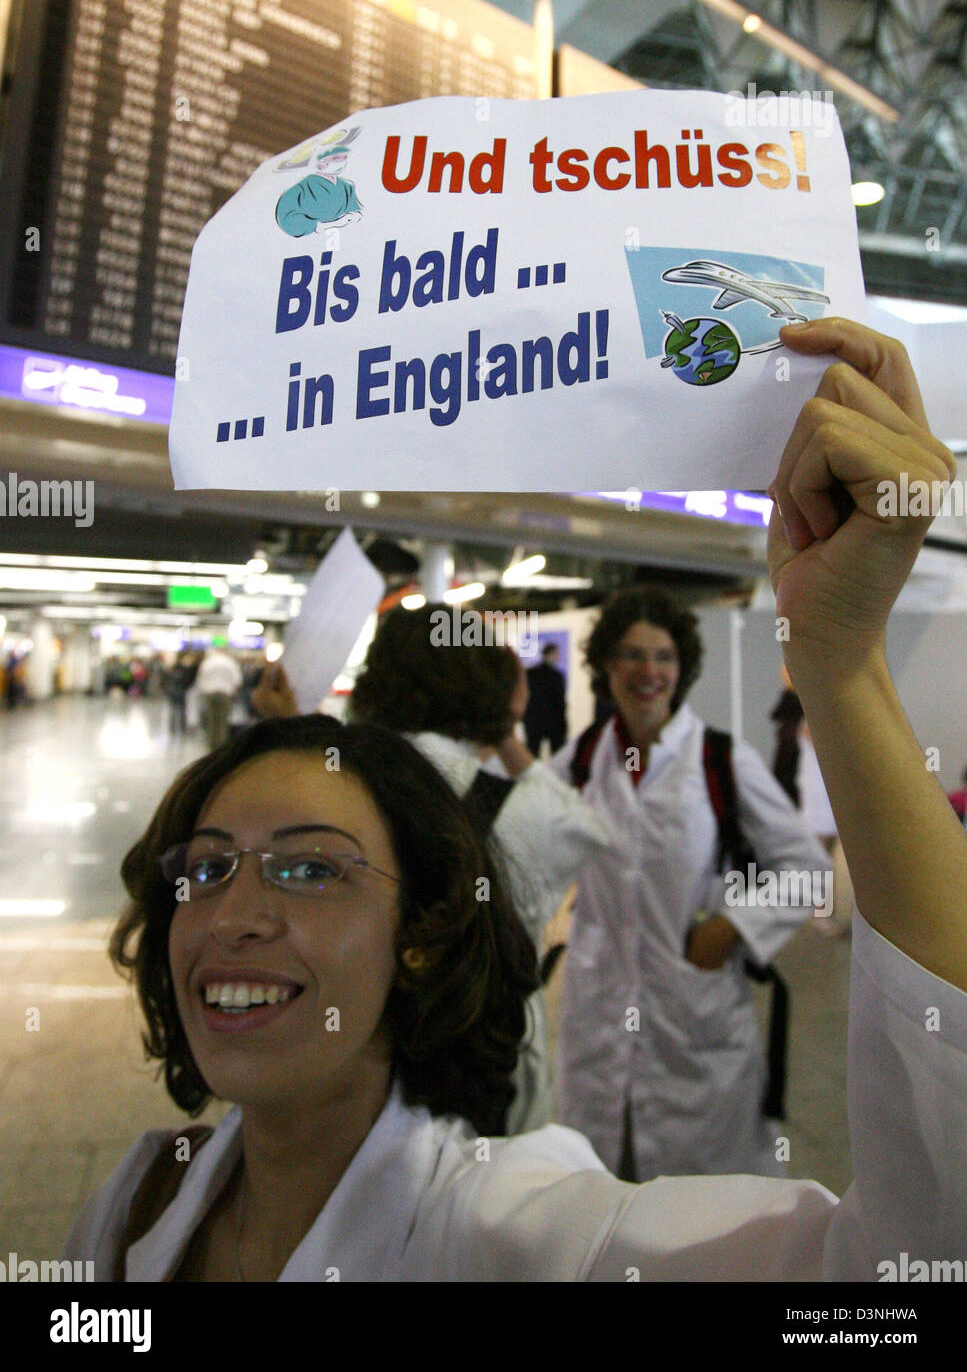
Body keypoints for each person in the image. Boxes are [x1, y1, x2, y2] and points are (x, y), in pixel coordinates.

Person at [62, 320, 967, 1281]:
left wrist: (840, 668)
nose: (236, 912)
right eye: (206, 867)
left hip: (686, 1046)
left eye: (308, 867)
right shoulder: (130, 1213)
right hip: (588, 1046)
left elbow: (902, 1276)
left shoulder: (508, 1237)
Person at [253, 606, 612, 1132]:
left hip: (346, 1065)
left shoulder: (336, 782)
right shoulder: (517, 810)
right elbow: (587, 829)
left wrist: (285, 725)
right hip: (482, 1085)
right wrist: (505, 727)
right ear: (486, 686)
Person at [549, 580, 831, 1181]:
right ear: (605, 665)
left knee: (703, 1213)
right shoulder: (577, 762)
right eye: (632, 653)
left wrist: (733, 926)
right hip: (597, 1015)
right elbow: (525, 858)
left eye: (664, 656)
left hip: (693, 1017)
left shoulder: (720, 760)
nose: (648, 670)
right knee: (602, 1194)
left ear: (682, 667)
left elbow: (808, 868)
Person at [195, 646, 243, 752]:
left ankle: (211, 746)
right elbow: (238, 681)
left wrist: (203, 693)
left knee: (212, 721)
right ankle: (221, 747)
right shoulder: (230, 662)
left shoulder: (208, 662)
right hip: (225, 694)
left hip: (210, 694)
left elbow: (200, 680)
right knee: (223, 721)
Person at [523, 643, 568, 755]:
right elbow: (560, 702)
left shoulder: (530, 673)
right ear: (551, 654)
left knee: (532, 755)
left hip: (534, 722)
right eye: (557, 654)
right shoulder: (556, 676)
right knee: (556, 756)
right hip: (553, 723)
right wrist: (563, 724)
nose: (558, 657)